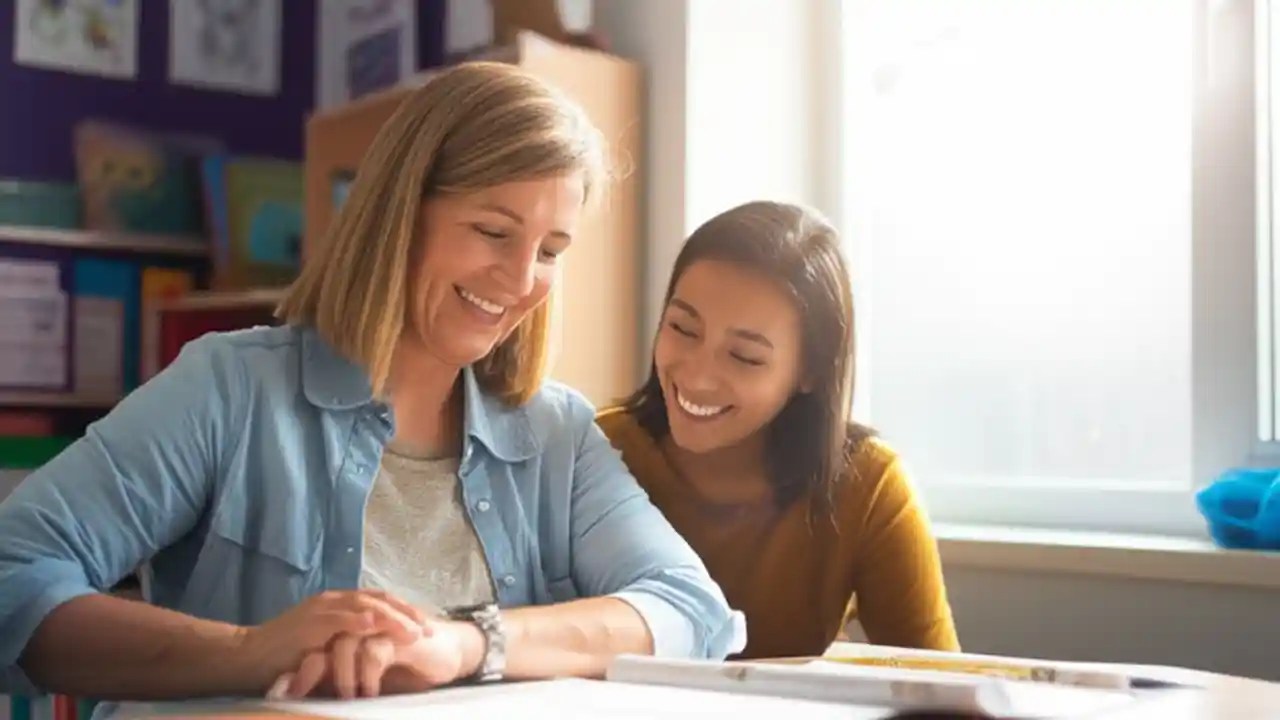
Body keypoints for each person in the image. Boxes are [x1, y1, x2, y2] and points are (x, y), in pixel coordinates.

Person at [0, 62, 743, 710]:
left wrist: (465, 644)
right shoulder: (229, 388)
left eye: (550, 250)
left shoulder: (560, 433)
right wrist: (257, 651)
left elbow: (692, 610)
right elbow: (14, 575)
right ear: (401, 215)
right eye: (491, 231)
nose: (520, 281)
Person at [596, 200, 958, 660]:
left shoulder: (867, 485)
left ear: (809, 372)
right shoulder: (599, 453)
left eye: (745, 357)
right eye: (683, 328)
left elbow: (941, 683)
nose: (698, 376)